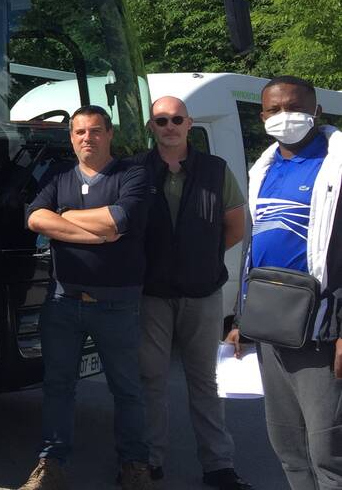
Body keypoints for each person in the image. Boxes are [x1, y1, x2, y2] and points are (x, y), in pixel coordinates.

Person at [20, 105, 153, 490]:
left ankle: (134, 464)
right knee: (58, 386)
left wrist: (63, 218)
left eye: (95, 131)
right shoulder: (60, 175)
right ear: (71, 137)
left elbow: (119, 220)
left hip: (117, 303)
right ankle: (52, 464)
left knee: (126, 388)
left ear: (109, 134)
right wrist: (95, 231)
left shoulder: (133, 174)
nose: (86, 138)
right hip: (64, 301)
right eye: (79, 132)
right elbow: (33, 217)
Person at [226, 76, 342, 489]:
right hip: (271, 325)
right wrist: (243, 317)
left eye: (293, 108)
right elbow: (253, 250)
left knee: (329, 454)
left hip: (322, 331)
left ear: (316, 112)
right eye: (273, 110)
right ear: (261, 117)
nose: (283, 117)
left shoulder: (335, 165)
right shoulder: (265, 169)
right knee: (287, 448)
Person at [132, 97, 252, 490]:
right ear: (152, 126)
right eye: (161, 120)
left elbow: (236, 225)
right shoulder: (135, 169)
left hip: (202, 293)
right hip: (151, 292)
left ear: (189, 124)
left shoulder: (215, 170)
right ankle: (150, 460)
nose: (169, 126)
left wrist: (205, 256)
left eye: (176, 119)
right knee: (150, 378)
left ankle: (219, 465)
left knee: (205, 380)